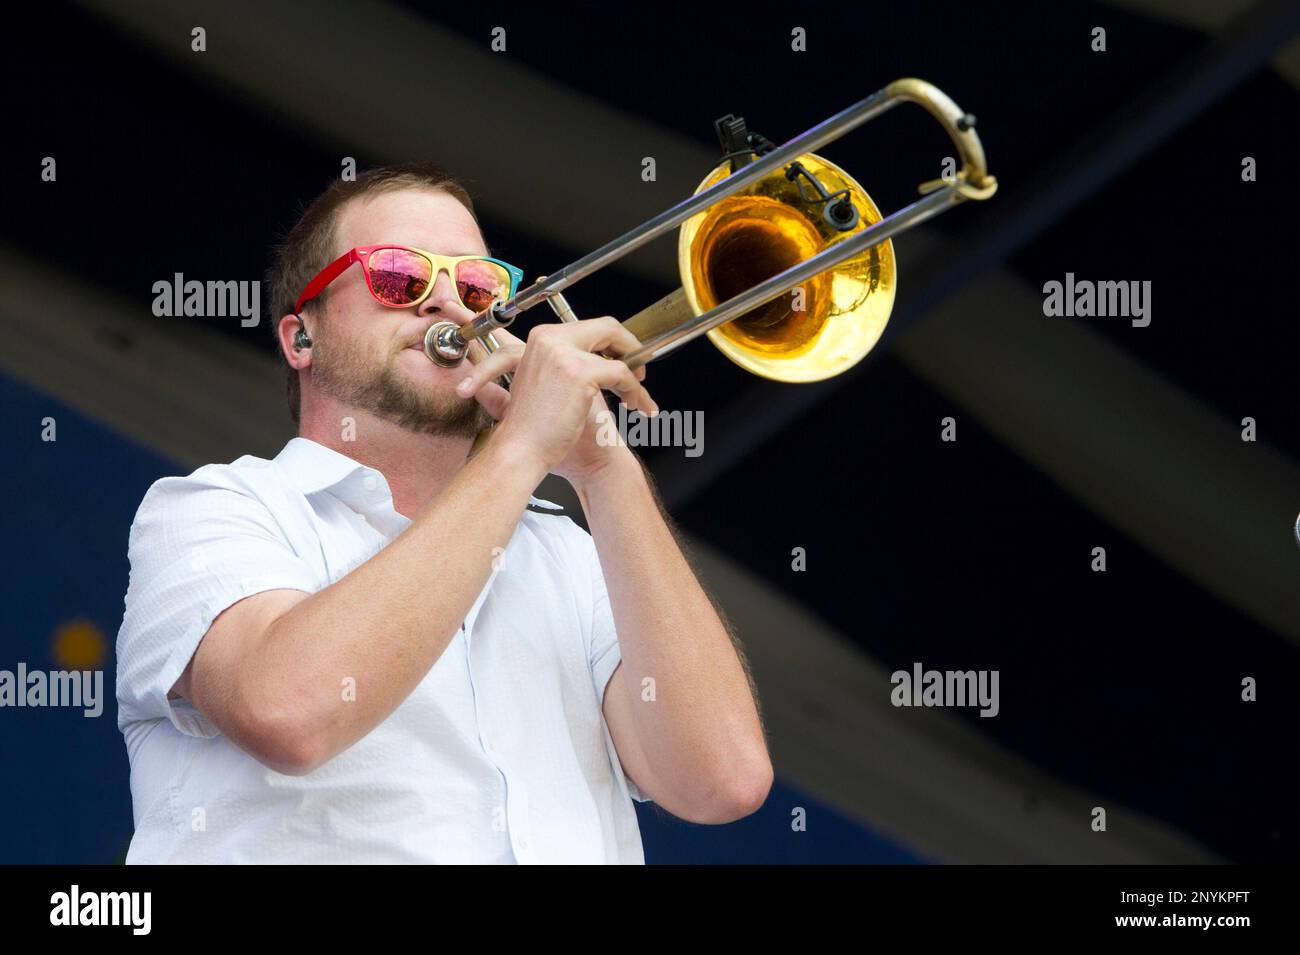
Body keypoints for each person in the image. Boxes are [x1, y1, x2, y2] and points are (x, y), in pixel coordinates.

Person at [115, 163, 772, 863]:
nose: (448, 305)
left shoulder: (573, 557)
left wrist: (604, 468)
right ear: (300, 337)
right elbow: (288, 713)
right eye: (399, 277)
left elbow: (720, 781)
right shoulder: (215, 511)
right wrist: (521, 445)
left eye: (477, 285)